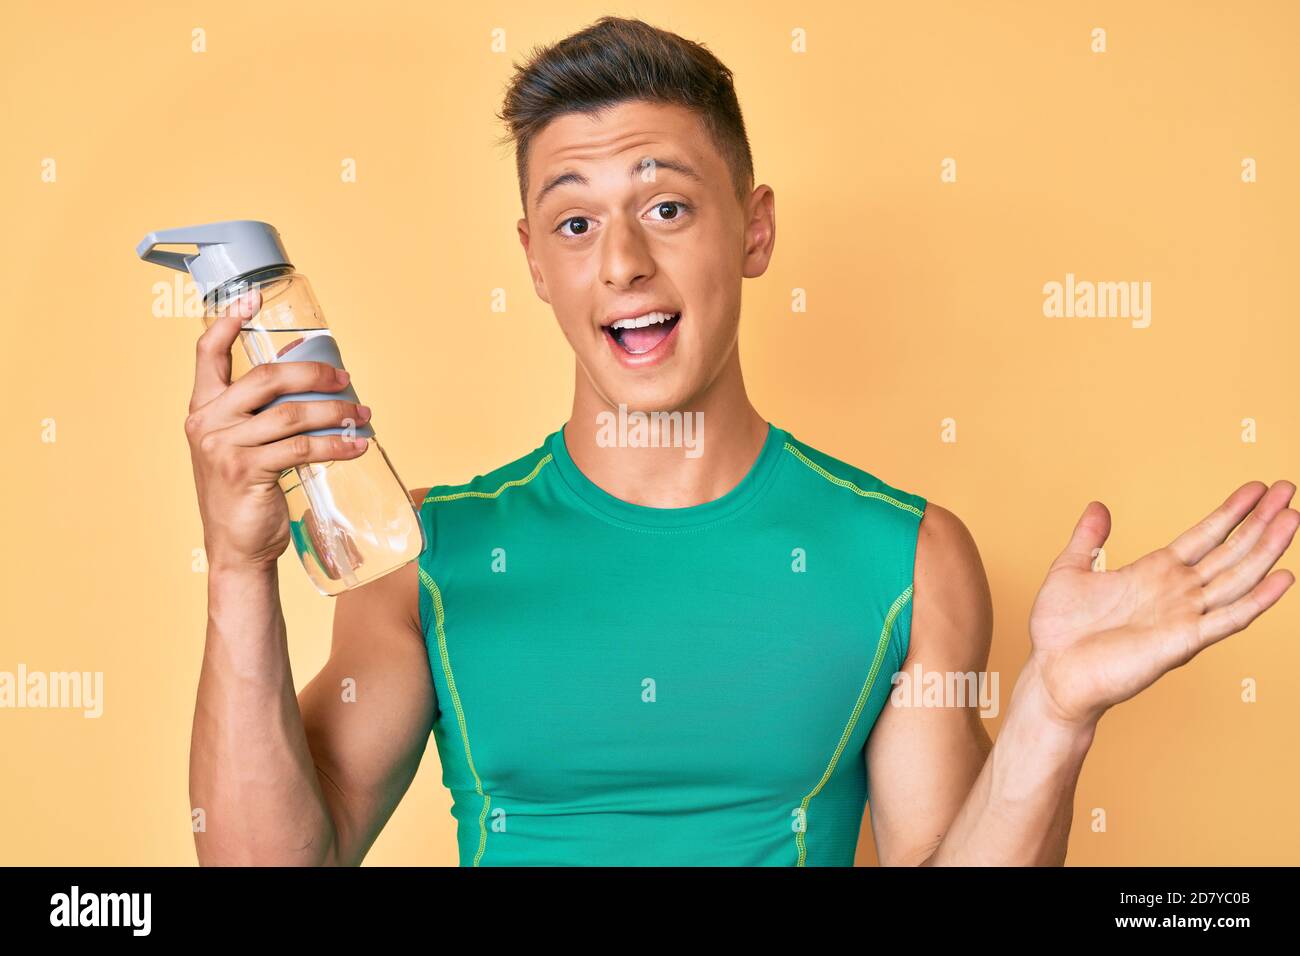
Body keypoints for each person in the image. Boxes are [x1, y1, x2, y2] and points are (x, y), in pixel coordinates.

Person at [182, 16, 1298, 866]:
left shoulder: (905, 558)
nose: (620, 260)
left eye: (665, 206)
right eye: (575, 221)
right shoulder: (426, 555)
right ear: (535, 259)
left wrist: (1054, 712)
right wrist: (239, 569)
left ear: (753, 229)